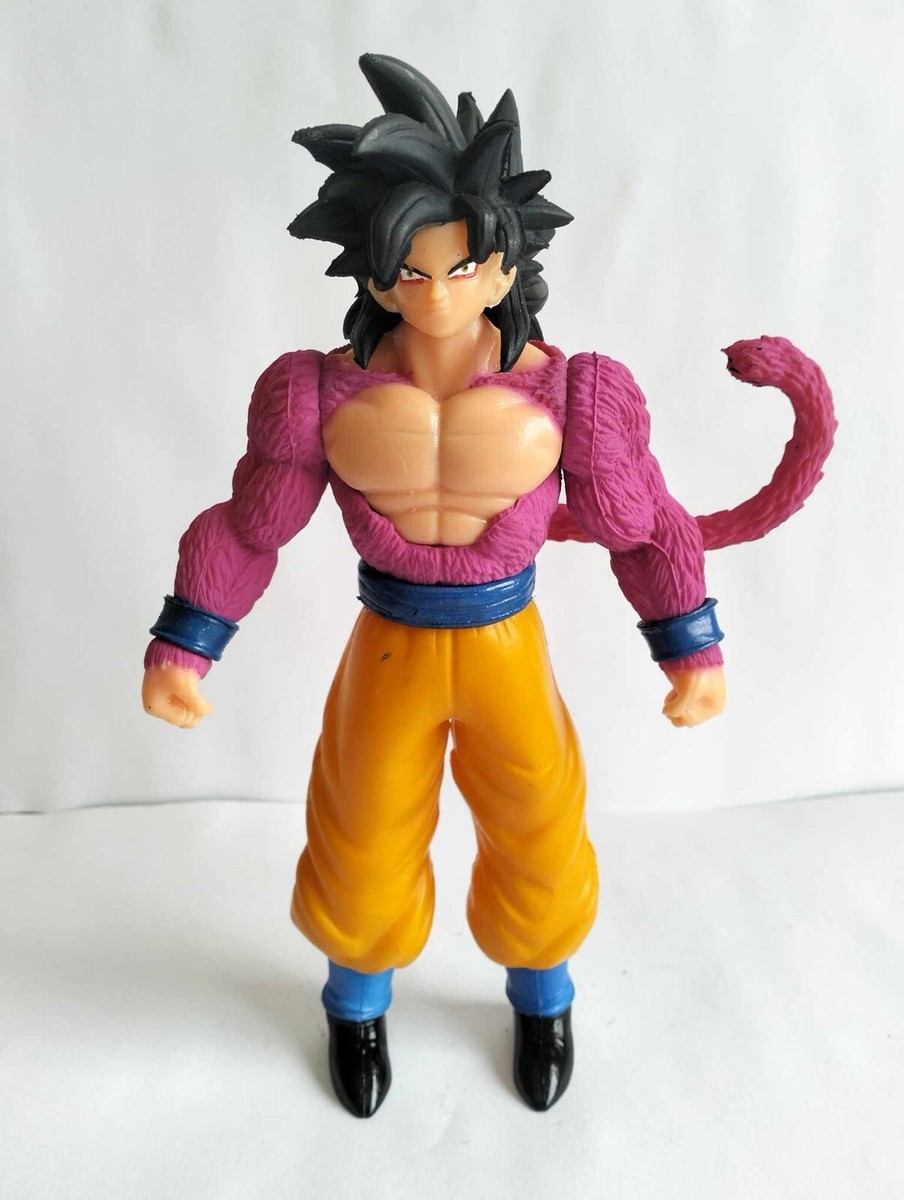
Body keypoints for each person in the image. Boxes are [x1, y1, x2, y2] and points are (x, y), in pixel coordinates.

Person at [142, 54, 835, 1117]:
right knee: (360, 825)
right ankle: (354, 1000)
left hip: (505, 639)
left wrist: (690, 643)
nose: (436, 293)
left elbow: (641, 526)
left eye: (462, 266)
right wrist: (188, 641)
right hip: (389, 640)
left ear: (508, 265)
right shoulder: (315, 392)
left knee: (539, 824)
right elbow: (250, 525)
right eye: (410, 271)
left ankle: (542, 994)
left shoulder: (575, 394)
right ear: (373, 275)